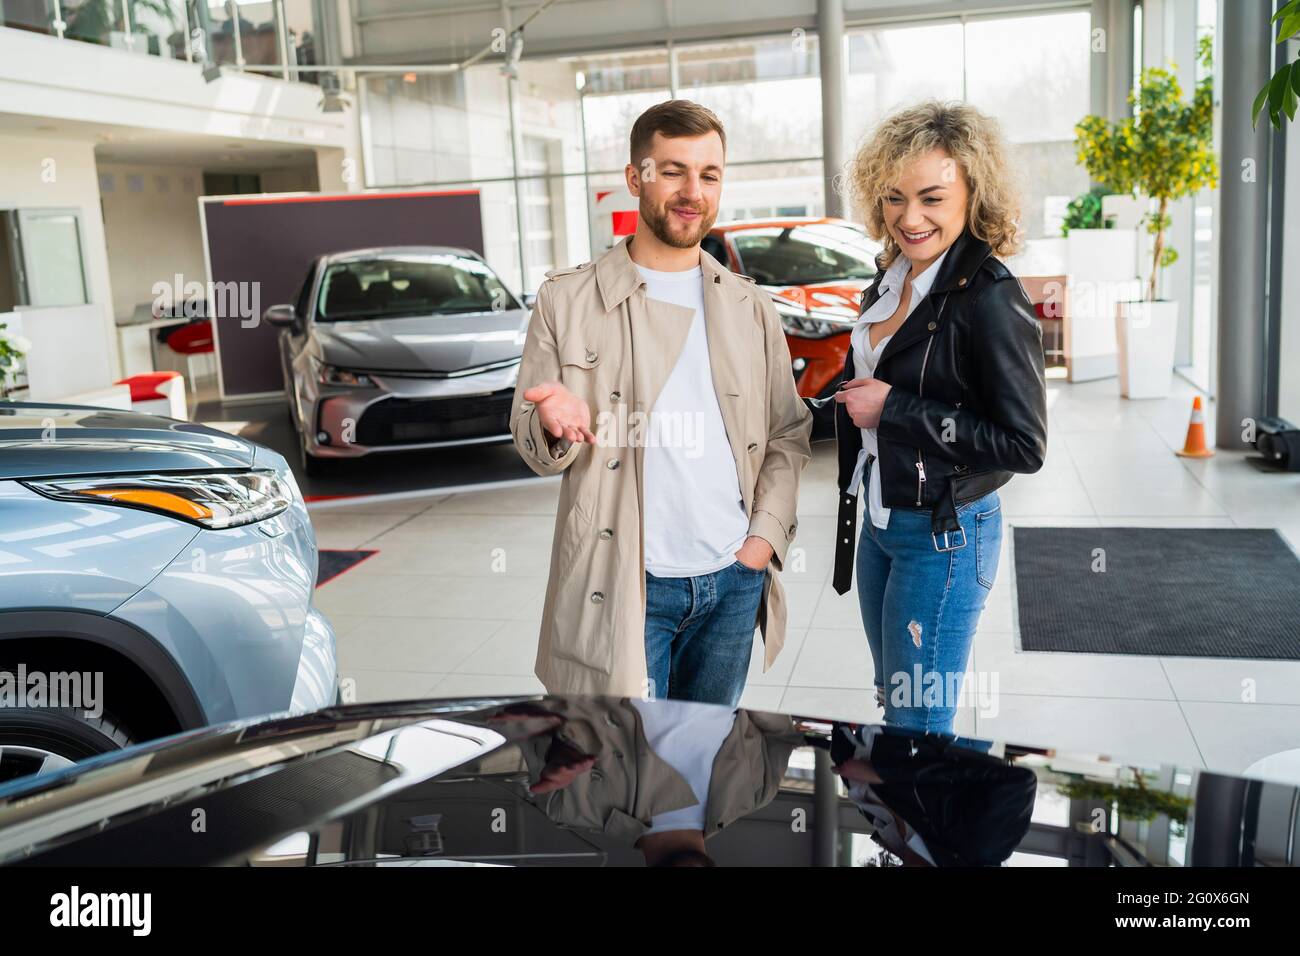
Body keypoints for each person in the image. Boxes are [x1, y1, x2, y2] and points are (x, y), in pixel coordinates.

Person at [510, 99, 813, 705]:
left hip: (732, 581)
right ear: (635, 178)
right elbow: (535, 443)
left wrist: (761, 543)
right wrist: (554, 426)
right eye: (672, 170)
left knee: (701, 772)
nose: (691, 191)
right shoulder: (566, 300)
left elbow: (787, 433)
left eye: (709, 174)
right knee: (620, 774)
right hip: (625, 584)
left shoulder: (750, 307)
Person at [821, 100, 1047, 734]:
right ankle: (918, 830)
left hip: (946, 534)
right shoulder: (891, 279)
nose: (909, 218)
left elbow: (1022, 445)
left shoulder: (993, 297)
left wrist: (895, 408)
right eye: (894, 198)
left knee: (918, 716)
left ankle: (929, 832)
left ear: (973, 196)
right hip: (880, 519)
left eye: (931, 199)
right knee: (895, 701)